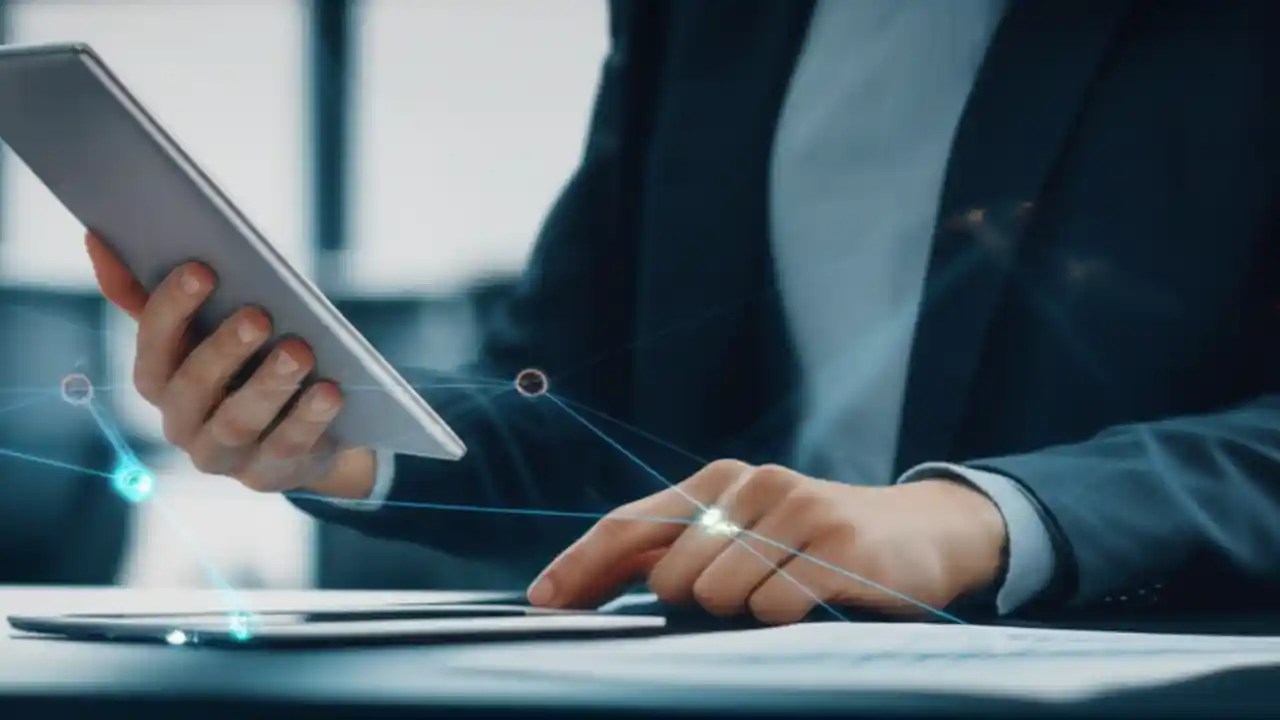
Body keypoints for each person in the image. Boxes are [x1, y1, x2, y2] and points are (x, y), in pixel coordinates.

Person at [87, 0, 1280, 623]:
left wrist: (980, 521)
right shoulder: (701, 14)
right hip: (722, 670)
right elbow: (581, 402)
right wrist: (343, 433)